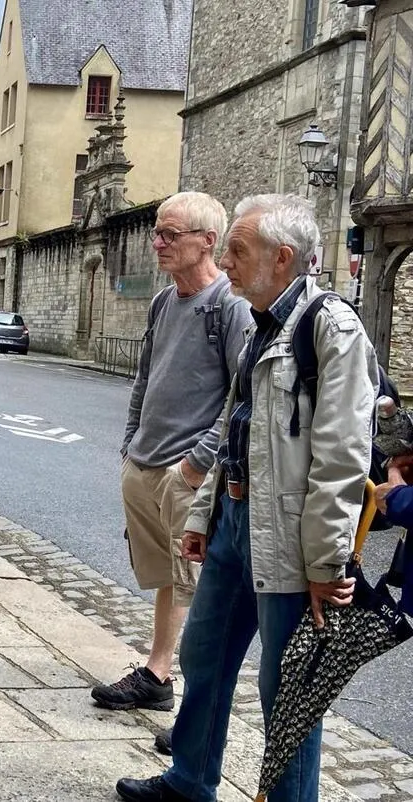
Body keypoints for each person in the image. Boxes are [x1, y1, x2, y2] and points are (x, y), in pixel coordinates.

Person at [115, 193, 378, 802]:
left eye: (238, 250)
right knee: (204, 657)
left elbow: (342, 460)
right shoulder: (260, 324)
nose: (228, 263)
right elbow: (236, 426)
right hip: (236, 522)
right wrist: (206, 513)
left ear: (282, 258)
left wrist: (327, 564)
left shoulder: (330, 331)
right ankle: (189, 780)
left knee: (287, 692)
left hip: (290, 539)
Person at [93, 192, 249, 756]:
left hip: (186, 472)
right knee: (165, 576)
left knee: (195, 588)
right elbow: (145, 376)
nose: (157, 242)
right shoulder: (164, 302)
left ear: (207, 241)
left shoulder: (228, 305)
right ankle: (158, 679)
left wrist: (197, 463)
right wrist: (132, 443)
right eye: (157, 232)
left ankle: (183, 705)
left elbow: (240, 397)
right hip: (146, 460)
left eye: (170, 234)